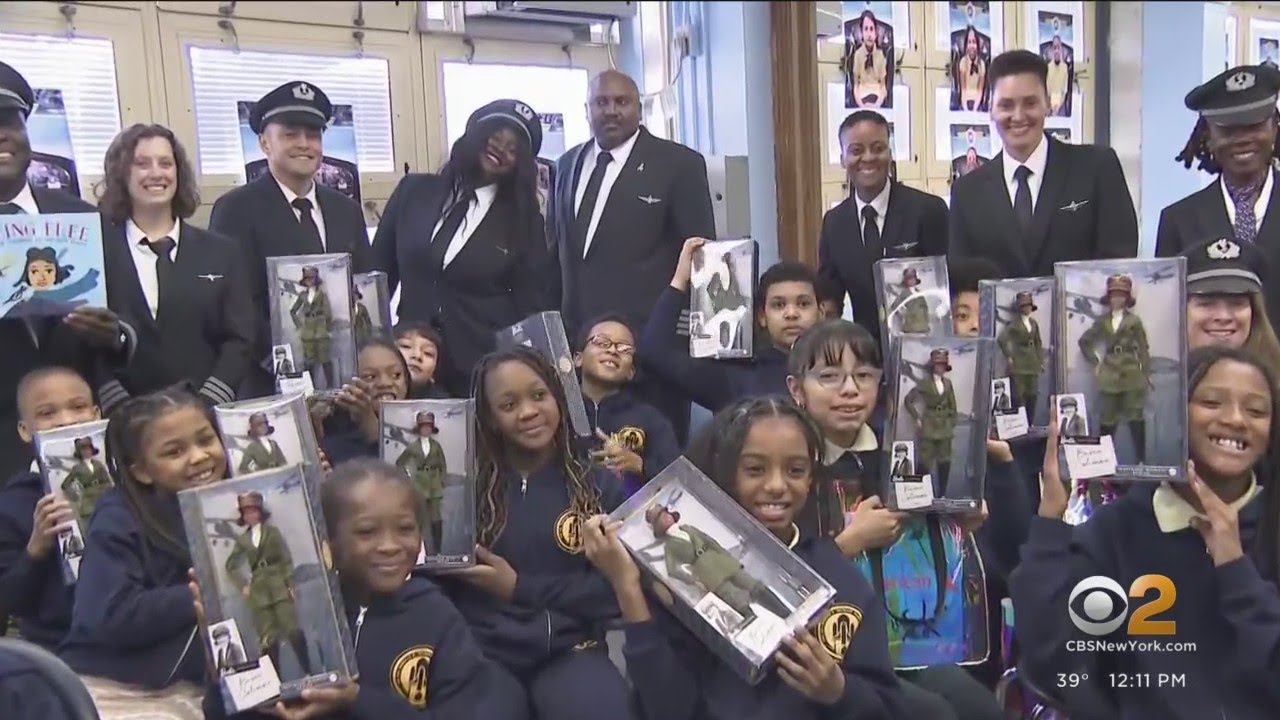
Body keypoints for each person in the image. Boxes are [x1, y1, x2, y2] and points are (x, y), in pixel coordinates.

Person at [583, 396, 905, 720]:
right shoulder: (677, 584)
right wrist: (627, 588)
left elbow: (887, 706)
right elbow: (667, 707)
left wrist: (839, 692)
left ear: (811, 477)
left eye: (795, 470)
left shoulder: (839, 579)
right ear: (727, 471)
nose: (777, 485)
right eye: (755, 469)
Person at [1011, 347, 1280, 719]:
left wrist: (1235, 569)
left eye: (1256, 410)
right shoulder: (1117, 530)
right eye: (1212, 402)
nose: (1235, 419)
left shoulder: (1269, 526)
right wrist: (1049, 524)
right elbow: (1055, 664)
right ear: (1172, 411)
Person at [785, 320, 1014, 720]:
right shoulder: (787, 468)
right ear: (796, 389)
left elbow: (988, 550)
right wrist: (845, 546)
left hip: (919, 639)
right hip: (833, 653)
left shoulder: (907, 457)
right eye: (829, 377)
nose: (850, 389)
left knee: (979, 707)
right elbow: (777, 574)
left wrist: (963, 528)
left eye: (864, 376)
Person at [204, 458, 525, 719]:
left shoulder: (436, 616)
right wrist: (223, 675)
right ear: (328, 544)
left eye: (405, 529)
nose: (390, 546)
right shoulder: (306, 613)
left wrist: (358, 701)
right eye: (367, 532)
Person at [438, 347, 631, 720]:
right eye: (509, 405)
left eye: (539, 396)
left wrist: (518, 587)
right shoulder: (462, 490)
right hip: (483, 655)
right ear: (491, 418)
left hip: (572, 650)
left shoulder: (597, 485)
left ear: (558, 398)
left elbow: (614, 593)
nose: (528, 412)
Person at [549, 69, 715, 441]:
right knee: (586, 457)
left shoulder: (679, 164)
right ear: (587, 109)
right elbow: (556, 255)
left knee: (652, 462)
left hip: (650, 352)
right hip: (581, 352)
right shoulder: (566, 165)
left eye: (621, 102)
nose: (610, 111)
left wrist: (685, 348)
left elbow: (700, 258)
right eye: (601, 102)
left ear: (639, 109)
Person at [0, 61, 138, 479]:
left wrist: (112, 335)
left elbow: (130, 321)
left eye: (9, 120)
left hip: (87, 441)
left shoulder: (83, 218)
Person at [372, 99, 555, 397]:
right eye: (495, 137)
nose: (501, 151)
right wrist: (374, 348)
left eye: (514, 149)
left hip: (476, 367)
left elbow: (530, 305)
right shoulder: (413, 192)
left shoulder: (523, 221)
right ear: (473, 135)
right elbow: (377, 276)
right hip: (409, 362)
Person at [58, 389, 224, 717]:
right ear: (141, 471)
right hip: (114, 687)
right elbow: (110, 615)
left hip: (205, 683)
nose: (199, 456)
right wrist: (209, 592)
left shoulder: (240, 497)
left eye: (206, 440)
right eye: (174, 451)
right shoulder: (118, 517)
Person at [209, 80, 371, 397]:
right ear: (265, 144)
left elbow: (363, 285)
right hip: (270, 380)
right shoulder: (236, 209)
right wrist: (284, 365)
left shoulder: (346, 210)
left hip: (346, 381)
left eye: (313, 135)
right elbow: (234, 302)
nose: (304, 144)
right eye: (290, 134)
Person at [96, 123, 254, 413]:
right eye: (142, 164)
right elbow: (85, 343)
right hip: (125, 421)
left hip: (205, 415)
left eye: (165, 163)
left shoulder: (222, 252)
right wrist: (121, 408)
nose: (156, 173)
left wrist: (206, 404)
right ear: (122, 173)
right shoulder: (99, 252)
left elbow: (240, 340)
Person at [949, 50, 1138, 277]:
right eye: (1006, 105)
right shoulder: (967, 192)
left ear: (1047, 103)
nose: (1018, 116)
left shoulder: (1097, 167)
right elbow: (964, 285)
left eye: (1030, 103)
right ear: (991, 109)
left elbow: (1120, 260)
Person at [639, 238, 822, 414]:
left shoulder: (845, 368)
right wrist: (680, 280)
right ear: (761, 316)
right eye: (779, 305)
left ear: (821, 312)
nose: (791, 314)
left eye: (803, 304)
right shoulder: (735, 378)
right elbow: (654, 353)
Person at [1157, 64, 1280, 325]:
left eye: (1255, 125)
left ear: (1275, 128)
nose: (1243, 139)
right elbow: (1169, 321)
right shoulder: (1178, 221)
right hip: (1212, 365)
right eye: (1229, 130)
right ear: (1208, 136)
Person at [818, 111, 948, 337]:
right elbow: (830, 300)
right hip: (862, 356)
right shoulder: (834, 223)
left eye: (878, 148)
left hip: (921, 347)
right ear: (842, 159)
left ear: (890, 153)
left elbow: (948, 289)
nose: (868, 158)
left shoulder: (928, 210)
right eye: (856, 150)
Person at [0, 367, 97, 652]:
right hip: (59, 645)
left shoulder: (127, 483)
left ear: (97, 413)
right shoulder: (12, 504)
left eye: (78, 407)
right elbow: (10, 600)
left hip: (133, 633)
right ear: (24, 430)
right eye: (47, 413)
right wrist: (35, 549)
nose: (65, 421)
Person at [575, 314, 680, 497]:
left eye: (624, 348)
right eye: (601, 342)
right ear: (578, 358)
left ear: (631, 371)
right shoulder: (557, 412)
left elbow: (679, 480)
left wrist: (639, 465)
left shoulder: (651, 420)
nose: (613, 351)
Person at [225, 490, 311, 676]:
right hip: (259, 592)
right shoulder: (243, 539)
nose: (251, 515)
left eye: (253, 511)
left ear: (260, 512)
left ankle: (309, 671)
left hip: (278, 585)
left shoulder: (272, 533)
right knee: (268, 637)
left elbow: (285, 558)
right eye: (246, 513)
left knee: (293, 630)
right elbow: (231, 565)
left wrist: (289, 584)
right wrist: (243, 585)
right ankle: (273, 680)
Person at [1078, 274, 1151, 461]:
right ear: (1109, 298)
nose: (1117, 299)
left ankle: (1141, 459)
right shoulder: (1102, 322)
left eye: (1121, 295)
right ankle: (1102, 458)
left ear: (1127, 298)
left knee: (1135, 415)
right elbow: (1085, 341)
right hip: (1109, 370)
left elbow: (1143, 348)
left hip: (1130, 370)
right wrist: (1095, 361)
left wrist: (1145, 373)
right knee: (1107, 417)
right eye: (1114, 295)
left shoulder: (1134, 321)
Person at [1182, 237, 1280, 372]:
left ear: (1255, 313)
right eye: (1207, 304)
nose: (1223, 316)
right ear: (1180, 311)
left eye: (1237, 304)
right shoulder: (1151, 386)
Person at [904, 349, 958, 497]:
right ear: (933, 366)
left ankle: (942, 494)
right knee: (925, 461)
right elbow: (908, 400)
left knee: (945, 461)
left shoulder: (947, 383)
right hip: (929, 424)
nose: (940, 367)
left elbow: (953, 404)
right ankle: (918, 493)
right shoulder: (925, 383)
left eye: (942, 364)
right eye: (938, 364)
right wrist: (917, 418)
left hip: (945, 426)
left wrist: (952, 420)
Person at [394, 411, 446, 551]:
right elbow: (400, 462)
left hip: (434, 484)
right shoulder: (413, 447)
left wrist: (441, 481)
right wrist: (409, 475)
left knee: (436, 517)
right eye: (423, 427)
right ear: (419, 429)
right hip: (420, 484)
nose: (426, 429)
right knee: (420, 517)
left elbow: (442, 464)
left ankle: (438, 550)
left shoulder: (436, 446)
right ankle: (421, 550)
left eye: (429, 427)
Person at [998, 291, 1045, 419]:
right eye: (1024, 306)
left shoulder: (1033, 323)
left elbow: (1038, 342)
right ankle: (1019, 422)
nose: (1027, 308)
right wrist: (1009, 356)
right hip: (1019, 364)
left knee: (1033, 394)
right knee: (1019, 395)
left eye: (1029, 305)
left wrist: (1040, 360)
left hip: (1032, 364)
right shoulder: (1014, 325)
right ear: (1020, 308)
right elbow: (1002, 339)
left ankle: (1030, 421)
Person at [62, 436, 112, 523]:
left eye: (88, 449)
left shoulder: (98, 464)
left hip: (103, 497)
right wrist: (76, 494)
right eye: (84, 450)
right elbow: (65, 485)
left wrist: (109, 491)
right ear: (80, 453)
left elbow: (107, 480)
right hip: (89, 502)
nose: (87, 452)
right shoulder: (77, 468)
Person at [393, 321, 447, 399]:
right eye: (406, 346)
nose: (417, 355)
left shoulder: (444, 407)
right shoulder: (370, 396)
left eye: (428, 353)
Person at [850, 11, 888, 108]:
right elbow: (856, 85)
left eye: (871, 29)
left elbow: (883, 87)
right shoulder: (858, 55)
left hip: (877, 98)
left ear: (876, 33)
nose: (869, 34)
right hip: (862, 98)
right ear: (861, 33)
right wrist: (862, 106)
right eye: (865, 29)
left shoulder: (880, 56)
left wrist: (876, 105)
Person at [958, 27, 987, 111]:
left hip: (977, 103)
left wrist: (975, 109)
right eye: (969, 42)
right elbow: (963, 89)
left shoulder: (981, 64)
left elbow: (980, 90)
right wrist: (966, 109)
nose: (972, 46)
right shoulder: (963, 62)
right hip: (965, 102)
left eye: (974, 42)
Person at [1046, 39, 1070, 115]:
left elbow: (1064, 90)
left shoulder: (1065, 68)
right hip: (1049, 105)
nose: (1056, 51)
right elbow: (1047, 90)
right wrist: (1051, 106)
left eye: (1058, 47)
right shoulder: (1048, 67)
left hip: (1061, 104)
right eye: (1054, 48)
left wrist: (1058, 106)